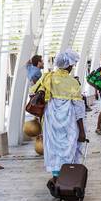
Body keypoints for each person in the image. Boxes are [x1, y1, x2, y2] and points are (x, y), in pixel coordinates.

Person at [34, 50, 89, 192]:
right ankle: (65, 180)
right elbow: (78, 109)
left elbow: (33, 91)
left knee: (54, 149)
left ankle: (56, 177)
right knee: (69, 146)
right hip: (69, 120)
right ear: (69, 65)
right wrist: (82, 131)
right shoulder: (72, 82)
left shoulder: (48, 77)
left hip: (51, 119)